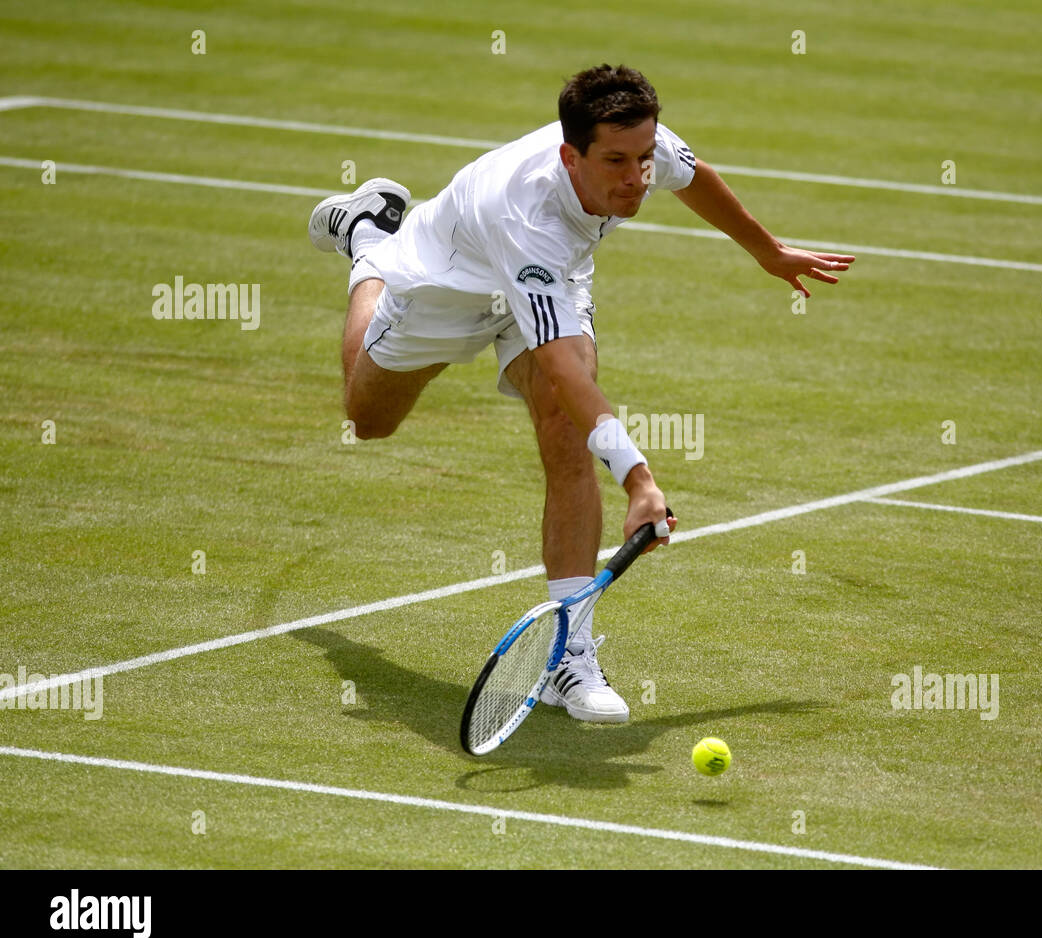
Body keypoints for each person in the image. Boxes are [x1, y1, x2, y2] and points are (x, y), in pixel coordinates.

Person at [307, 63, 854, 724]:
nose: (635, 178)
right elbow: (564, 367)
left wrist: (767, 251)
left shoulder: (642, 151)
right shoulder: (526, 212)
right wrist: (639, 479)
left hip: (552, 283)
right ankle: (369, 240)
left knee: (564, 423)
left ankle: (569, 653)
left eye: (643, 158)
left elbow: (695, 174)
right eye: (616, 161)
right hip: (445, 289)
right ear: (571, 156)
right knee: (367, 420)